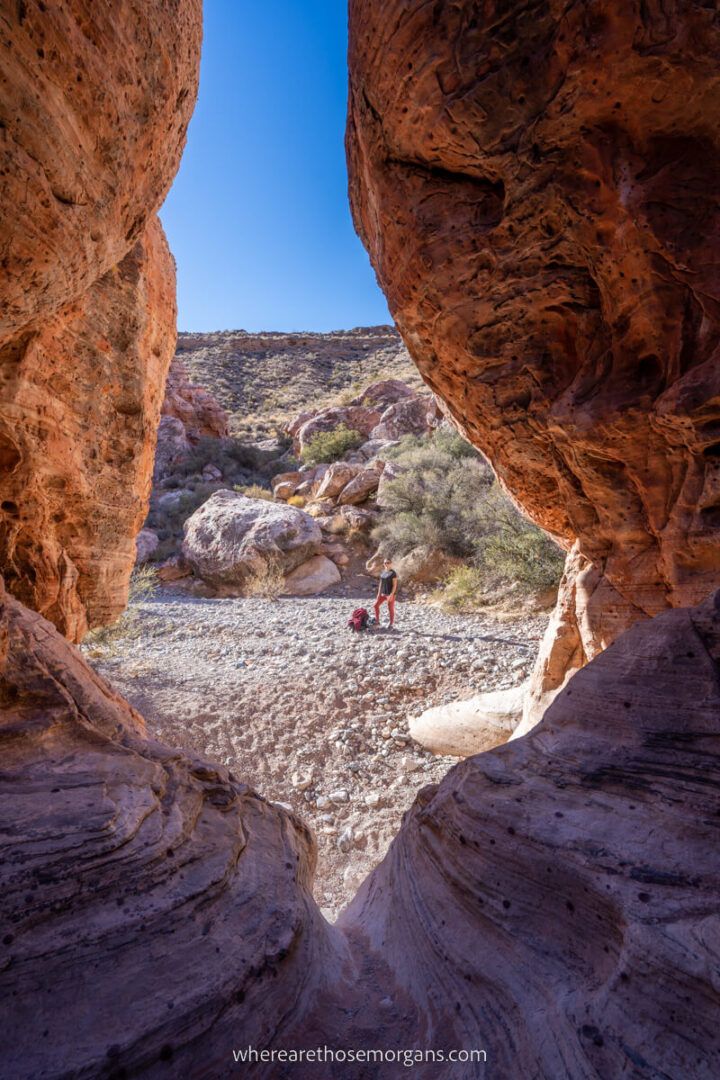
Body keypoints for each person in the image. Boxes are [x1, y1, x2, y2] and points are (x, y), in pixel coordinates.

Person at [374, 557, 398, 628]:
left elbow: (395, 585)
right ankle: (377, 621)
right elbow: (381, 583)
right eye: (385, 563)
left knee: (390, 608)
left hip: (390, 594)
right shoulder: (383, 572)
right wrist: (378, 593)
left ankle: (391, 624)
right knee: (375, 606)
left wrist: (391, 594)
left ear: (391, 564)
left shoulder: (393, 573)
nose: (386, 564)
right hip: (383, 593)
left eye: (388, 563)